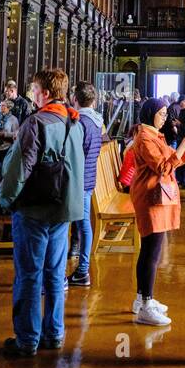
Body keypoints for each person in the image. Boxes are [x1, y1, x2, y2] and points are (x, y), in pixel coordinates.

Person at [0, 68, 84, 358]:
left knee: (29, 274)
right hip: (62, 210)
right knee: (55, 273)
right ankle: (54, 333)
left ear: (45, 93)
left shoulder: (36, 123)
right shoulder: (75, 123)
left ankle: (27, 338)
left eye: (34, 89)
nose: (31, 94)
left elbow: (19, 167)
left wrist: (6, 199)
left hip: (34, 208)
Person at [130, 98, 185, 326]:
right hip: (150, 197)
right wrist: (184, 145)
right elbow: (163, 166)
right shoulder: (145, 137)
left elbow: (170, 158)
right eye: (161, 113)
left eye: (166, 113)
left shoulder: (154, 135)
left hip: (155, 195)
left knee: (150, 250)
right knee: (152, 252)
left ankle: (142, 298)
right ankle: (146, 305)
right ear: (150, 114)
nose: (165, 117)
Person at [67, 81, 104, 288]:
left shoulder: (80, 122)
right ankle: (80, 265)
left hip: (78, 179)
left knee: (82, 225)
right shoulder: (97, 121)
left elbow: (74, 152)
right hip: (88, 177)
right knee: (82, 224)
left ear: (75, 100)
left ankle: (82, 270)